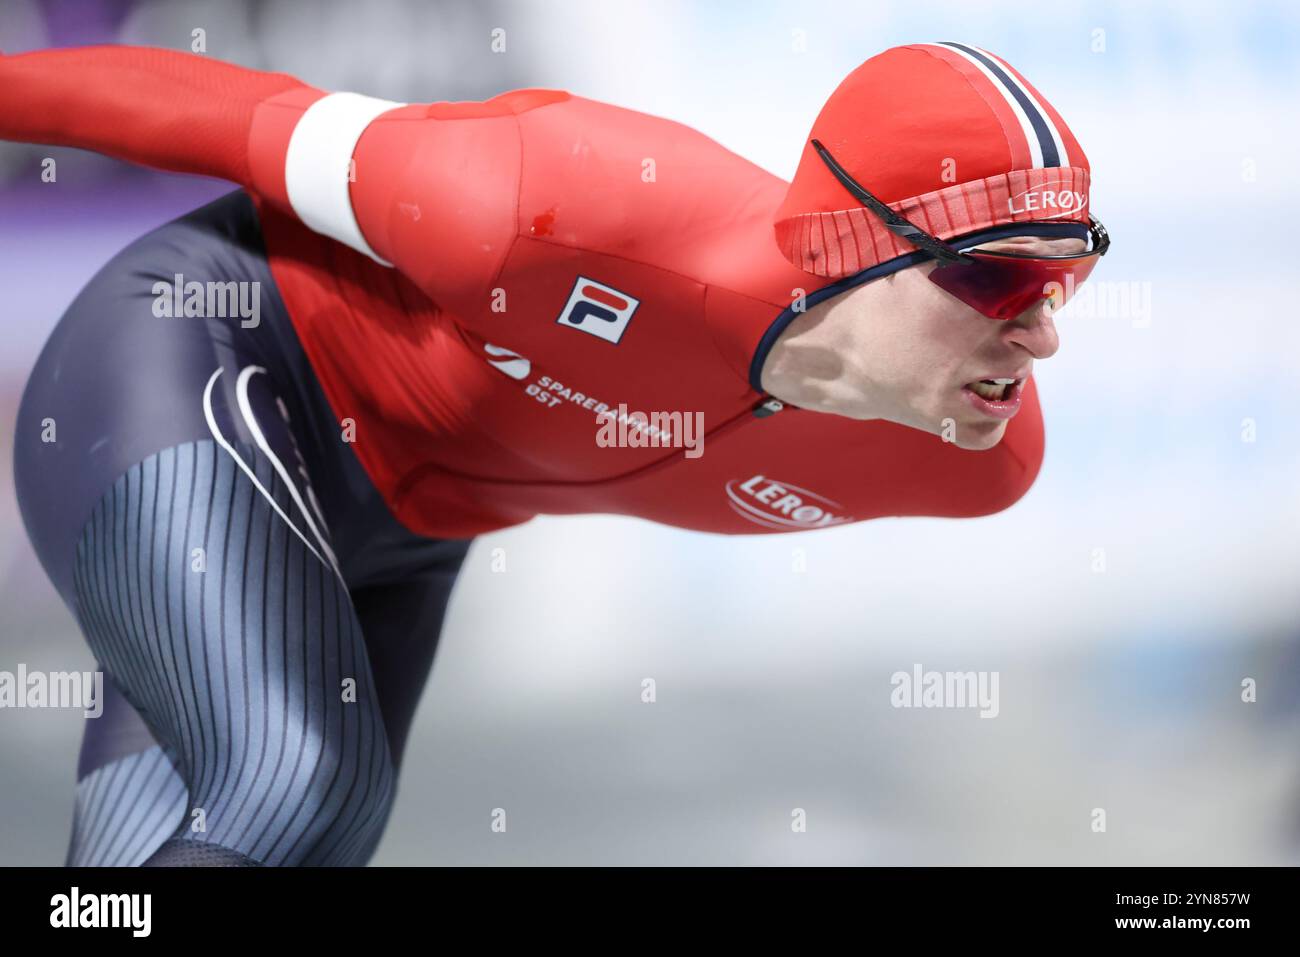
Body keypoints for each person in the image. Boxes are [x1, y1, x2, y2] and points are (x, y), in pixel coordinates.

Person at [0, 40, 1108, 865]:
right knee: (292, 788)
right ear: (845, 245)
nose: (1042, 329)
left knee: (213, 852)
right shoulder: (548, 202)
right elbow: (225, 115)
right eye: (998, 275)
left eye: (1068, 277)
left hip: (406, 530)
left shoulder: (977, 461)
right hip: (206, 351)